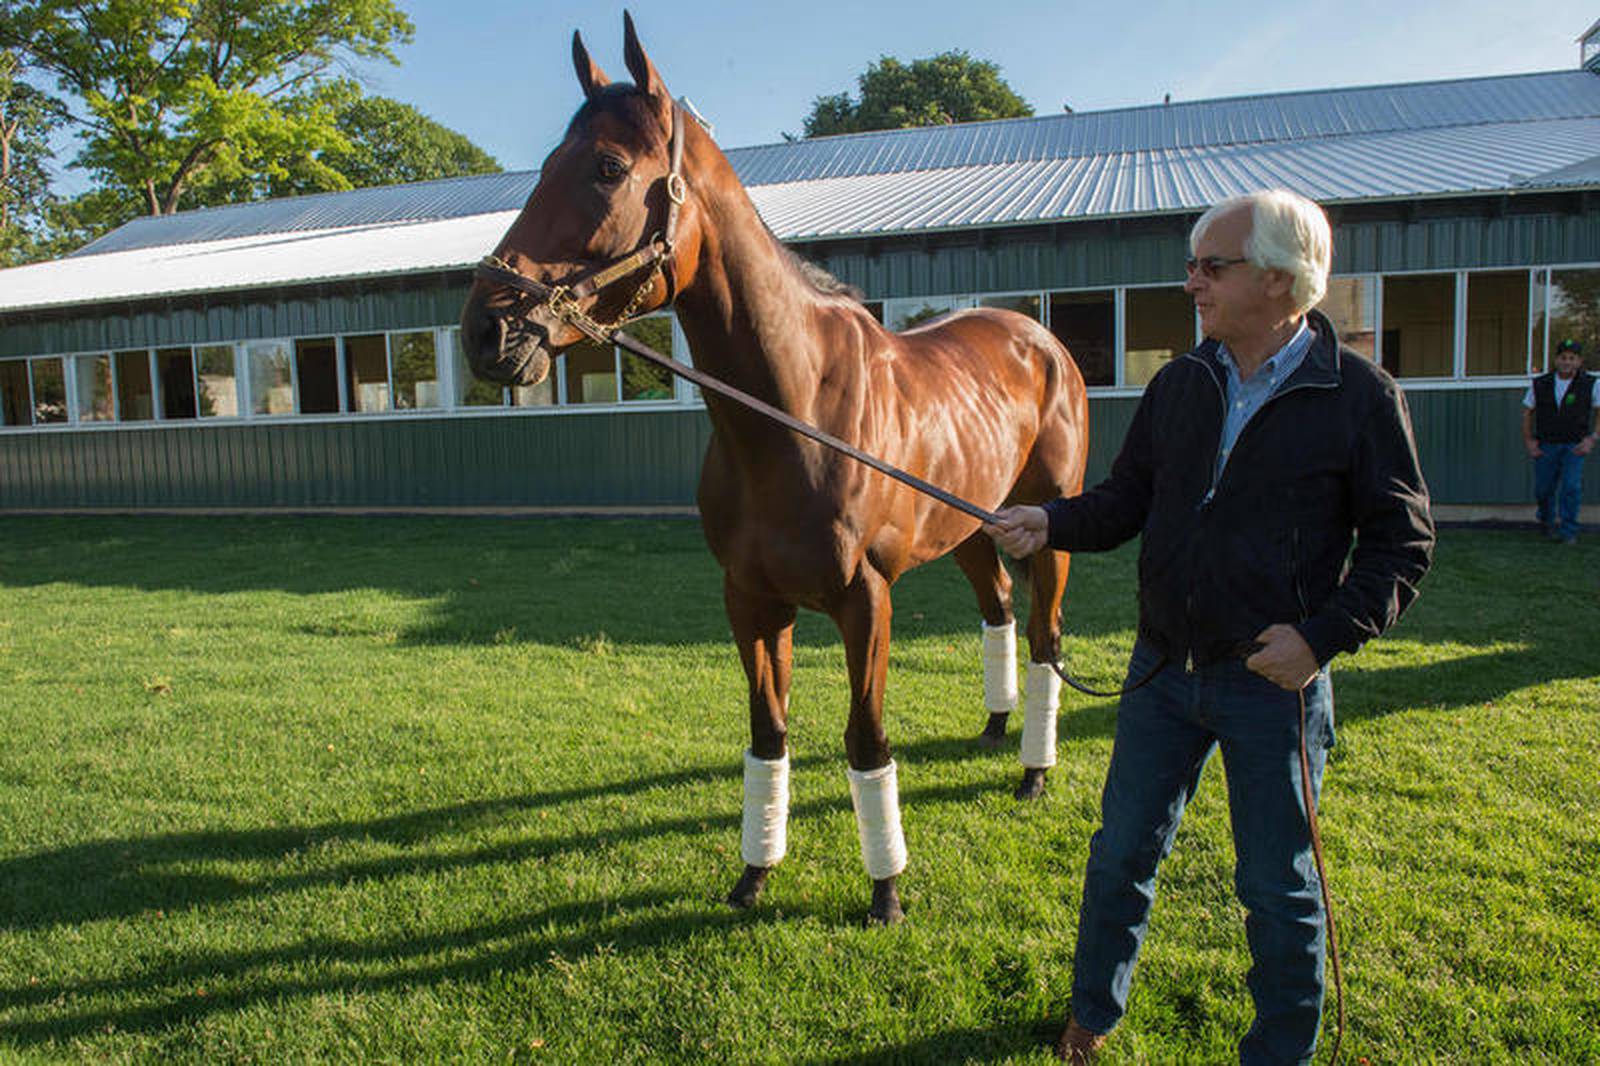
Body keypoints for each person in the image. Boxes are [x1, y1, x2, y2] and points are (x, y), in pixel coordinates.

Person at [984, 189, 1434, 1065]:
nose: (1191, 282)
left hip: (1272, 686)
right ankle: (1092, 1013)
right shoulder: (1182, 381)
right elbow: (1130, 499)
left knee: (1275, 886)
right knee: (1119, 857)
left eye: (1210, 266)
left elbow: (1402, 544)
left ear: (1279, 278)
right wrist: (1052, 522)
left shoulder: (1360, 396)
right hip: (1162, 675)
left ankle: (1279, 1052)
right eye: (1192, 264)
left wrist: (1321, 638)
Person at [1521, 338, 1598, 544]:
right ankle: (1546, 521)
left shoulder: (1590, 383)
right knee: (1543, 489)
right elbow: (1528, 412)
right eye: (1563, 358)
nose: (1567, 362)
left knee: (1571, 487)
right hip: (1546, 445)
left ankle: (1568, 531)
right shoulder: (1540, 384)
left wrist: (1592, 438)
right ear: (1556, 360)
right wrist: (1529, 441)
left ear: (1579, 361)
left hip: (1575, 445)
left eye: (1572, 358)